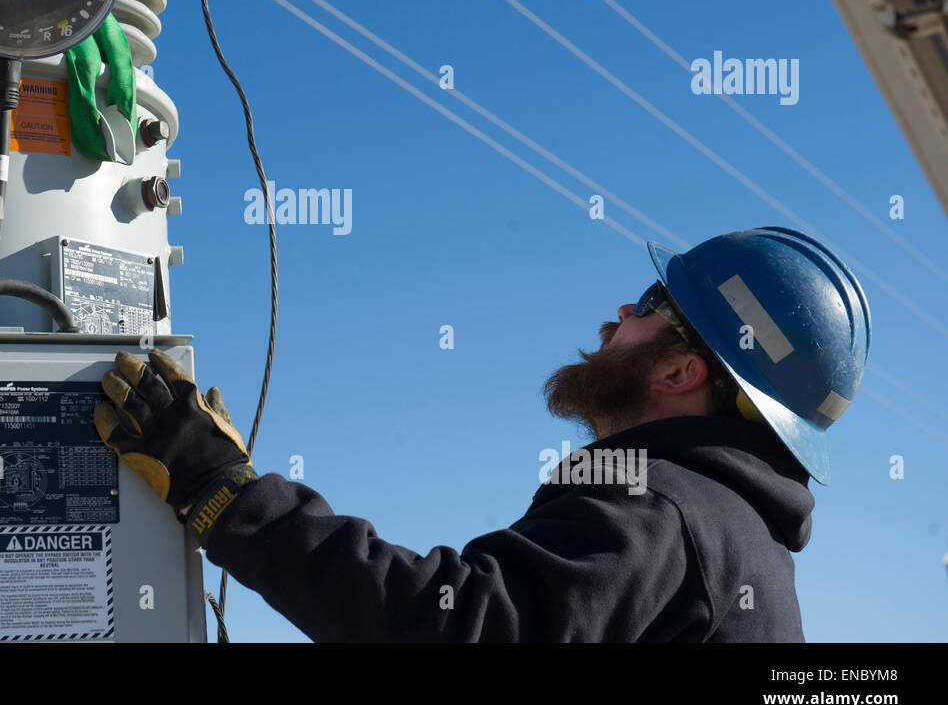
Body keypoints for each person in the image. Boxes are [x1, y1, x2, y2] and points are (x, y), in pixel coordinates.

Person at [93, 227, 871, 641]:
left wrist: (220, 489)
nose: (618, 316)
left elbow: (455, 626)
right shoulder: (741, 544)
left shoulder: (659, 505)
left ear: (680, 371)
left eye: (648, 303)